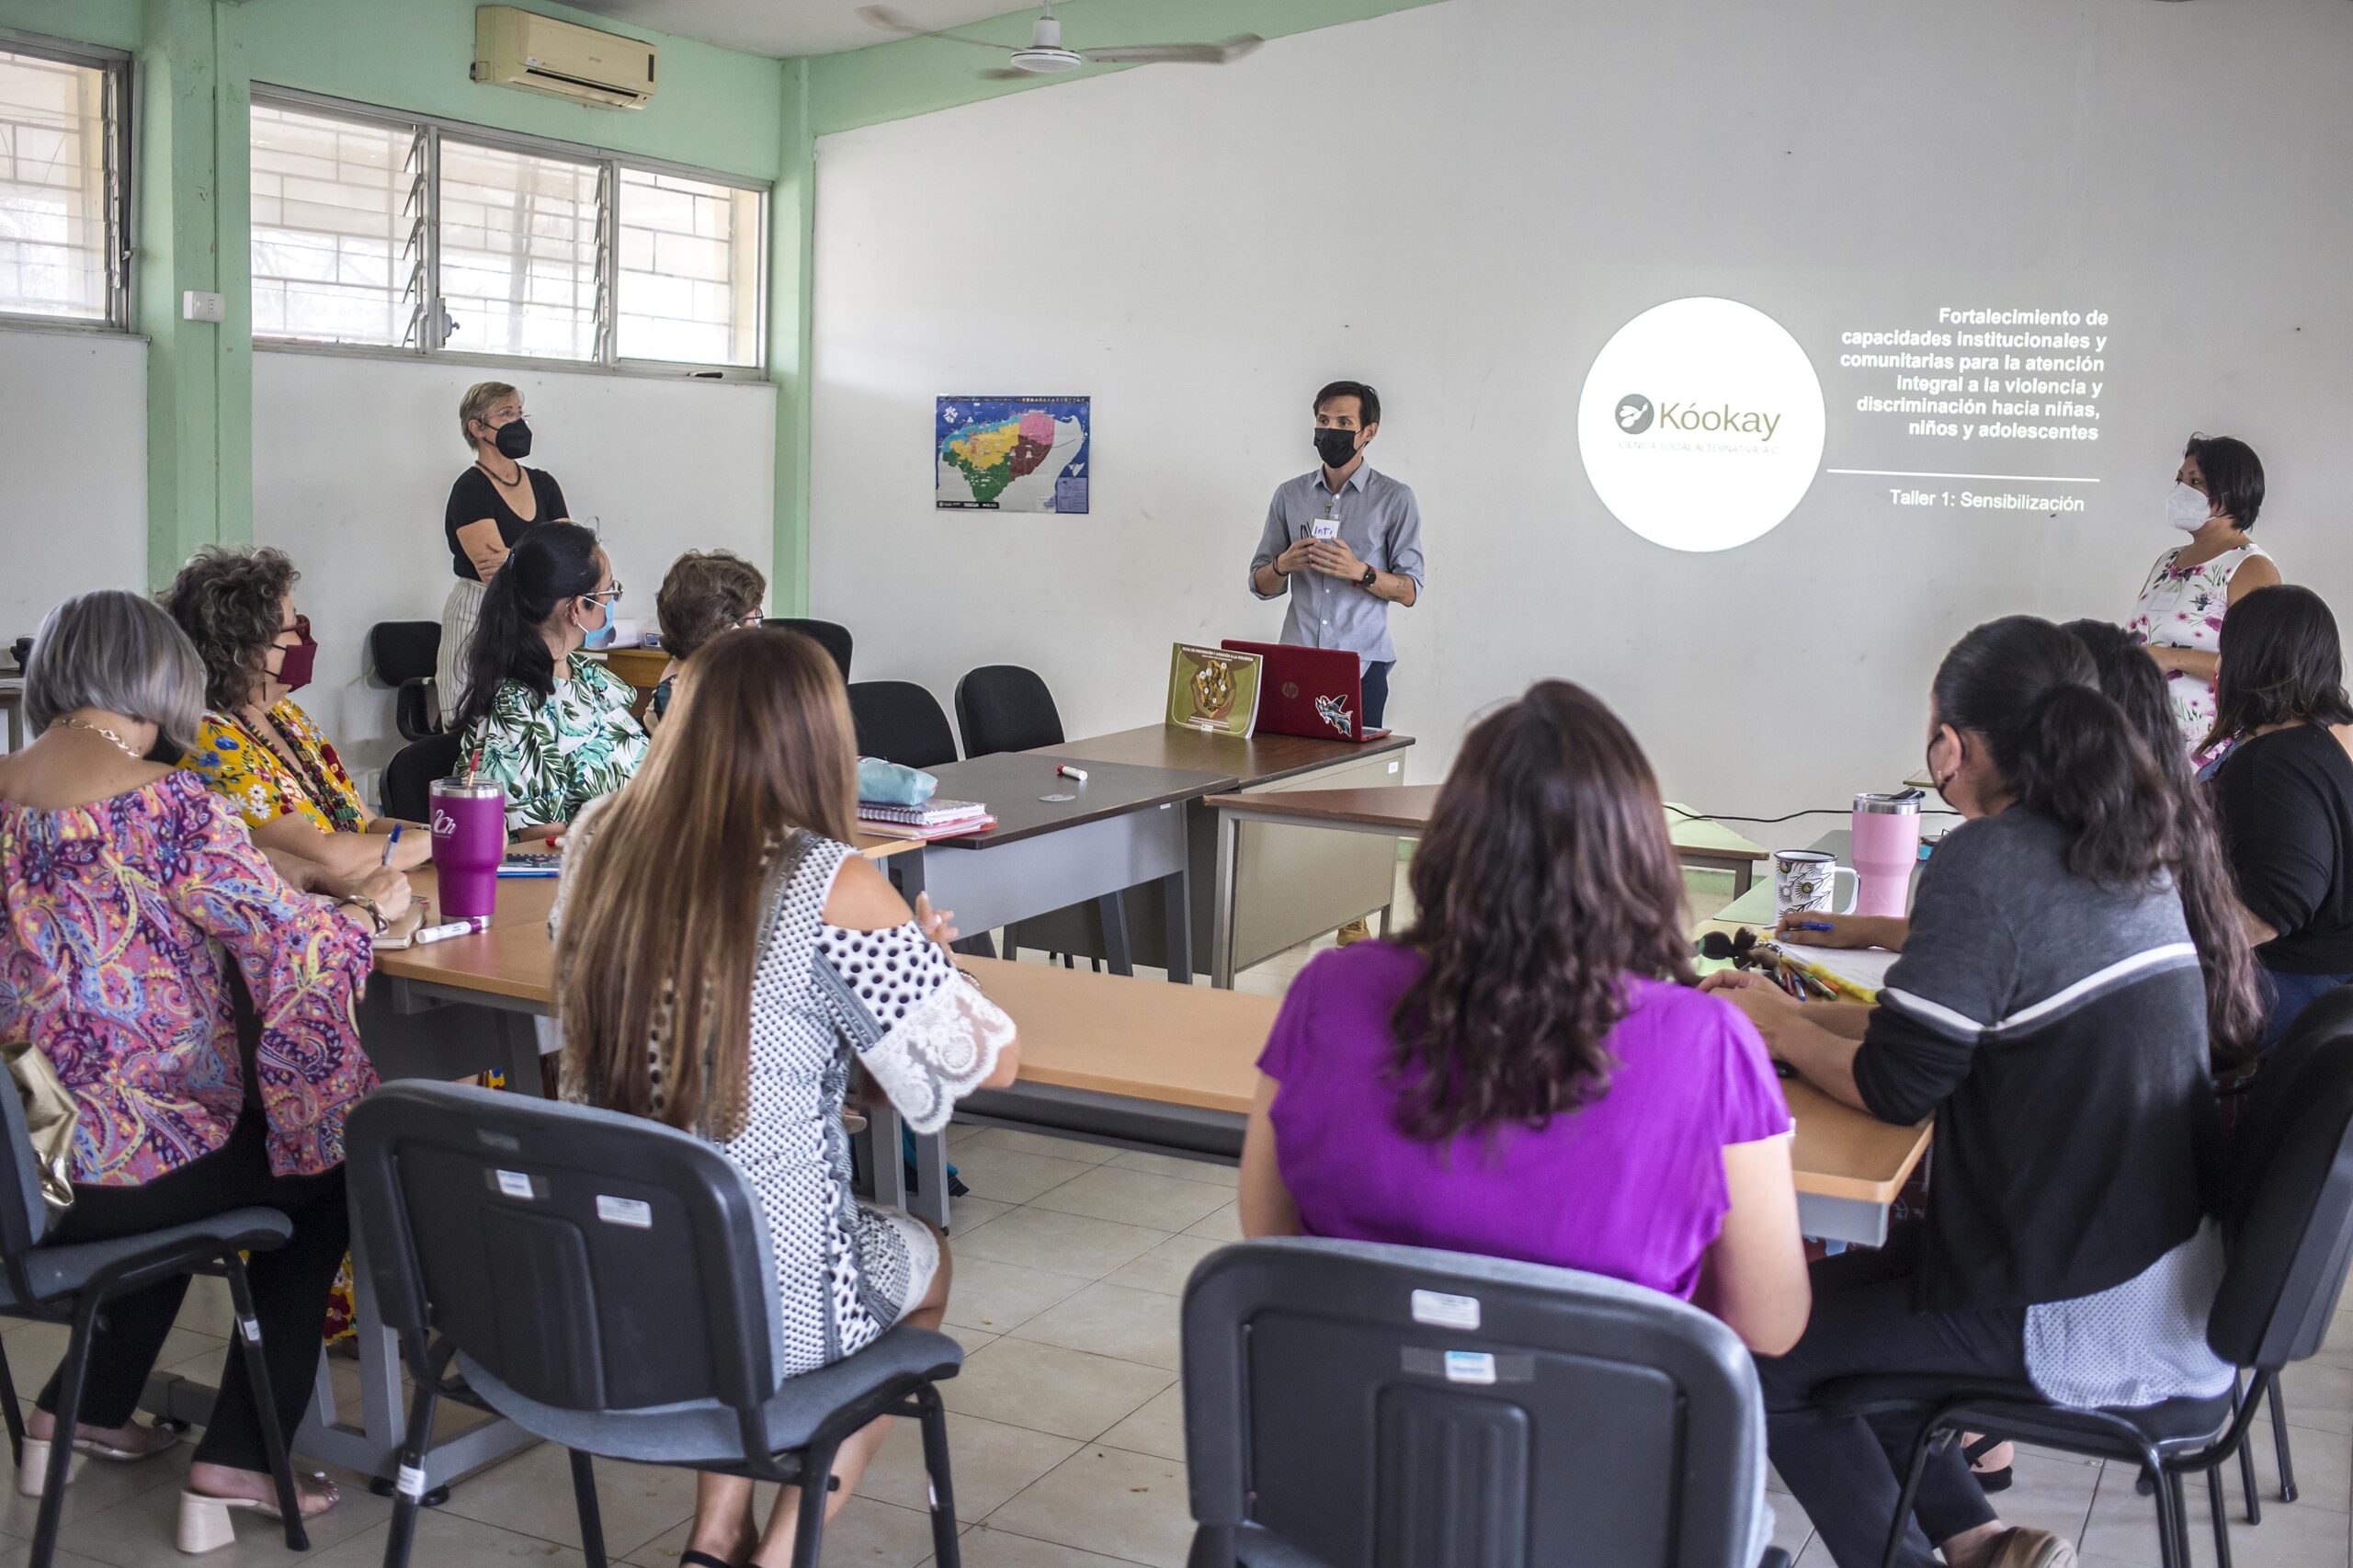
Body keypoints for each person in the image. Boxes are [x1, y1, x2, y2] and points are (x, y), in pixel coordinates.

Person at [1709, 616, 2242, 1568]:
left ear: (1948, 745)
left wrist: (1782, 1028)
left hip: (2079, 1299)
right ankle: (1978, 1542)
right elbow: (1941, 1035)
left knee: (1757, 1349)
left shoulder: (1986, 858)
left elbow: (1900, 1082)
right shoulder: (2123, 844)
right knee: (1801, 1311)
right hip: (2155, 1267)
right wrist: (1774, 1012)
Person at [551, 627, 1018, 1568]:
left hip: (609, 1278)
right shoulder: (829, 879)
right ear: (819, 742)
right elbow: (985, 1061)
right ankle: (778, 1551)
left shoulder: (599, 840)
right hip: (766, 1300)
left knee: (712, 1207)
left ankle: (713, 1536)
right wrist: (923, 956)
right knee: (927, 1267)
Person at [0, 590, 408, 1544]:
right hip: (105, 1176)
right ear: (163, 681)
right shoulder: (168, 802)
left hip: (22, 1165)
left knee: (180, 1133)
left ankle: (82, 1406)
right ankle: (241, 1454)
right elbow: (294, 948)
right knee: (324, 1158)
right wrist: (370, 910)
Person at [1236, 680, 1810, 1351]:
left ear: (1450, 843)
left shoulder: (1327, 992)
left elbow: (1269, 1242)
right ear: (1638, 860)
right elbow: (1769, 1328)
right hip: (1599, 1446)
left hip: (1351, 1438)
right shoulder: (1709, 1043)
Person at [1785, 619, 2264, 1071]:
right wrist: (1871, 935)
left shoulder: (2044, 848)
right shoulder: (2141, 831)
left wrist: (1780, 1027)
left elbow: (1901, 1077)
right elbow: (2024, 951)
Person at [163, 546, 432, 881]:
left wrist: (448, 831)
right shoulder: (209, 741)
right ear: (248, 650)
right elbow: (325, 861)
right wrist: (437, 841)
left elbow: (366, 824)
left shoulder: (287, 714)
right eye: (294, 627)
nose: (306, 637)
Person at [2202, 585, 2353, 1050]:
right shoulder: (2323, 741)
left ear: (2253, 661)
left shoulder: (2277, 760)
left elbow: (2277, 902)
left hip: (2293, 993)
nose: (2218, 669)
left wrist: (2179, 950)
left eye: (2226, 653)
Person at [1247, 380, 1425, 732]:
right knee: (1287, 772)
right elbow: (1259, 584)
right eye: (1324, 421)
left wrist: (1362, 572)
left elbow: (1410, 590)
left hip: (1360, 667)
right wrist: (1283, 565)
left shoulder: (1395, 499)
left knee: (1353, 782)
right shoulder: (1290, 495)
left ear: (1368, 432)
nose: (1331, 431)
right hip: (1296, 665)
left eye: (1344, 423)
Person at [453, 521, 647, 835]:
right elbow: (542, 842)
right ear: (576, 608)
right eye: (610, 591)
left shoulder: (585, 676)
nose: (612, 601)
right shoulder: (517, 709)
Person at [2125, 433, 2280, 762]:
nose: (2182, 490)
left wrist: (2171, 658)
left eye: (2196, 482)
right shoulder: (2168, 560)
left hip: (2206, 754)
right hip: (2143, 742)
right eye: (2180, 480)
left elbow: (2259, 671)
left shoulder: (2250, 567)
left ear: (2233, 490)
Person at [439, 381, 572, 717]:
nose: (518, 422)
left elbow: (570, 557)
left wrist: (516, 556)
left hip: (535, 617)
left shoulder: (544, 484)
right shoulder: (471, 488)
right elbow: (491, 569)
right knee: (470, 719)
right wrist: (542, 560)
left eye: (519, 413)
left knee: (532, 720)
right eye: (506, 414)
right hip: (478, 613)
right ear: (477, 427)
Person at [648, 549, 767, 727]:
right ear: (728, 630)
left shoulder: (686, 669)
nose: (759, 626)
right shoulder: (683, 697)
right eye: (754, 617)